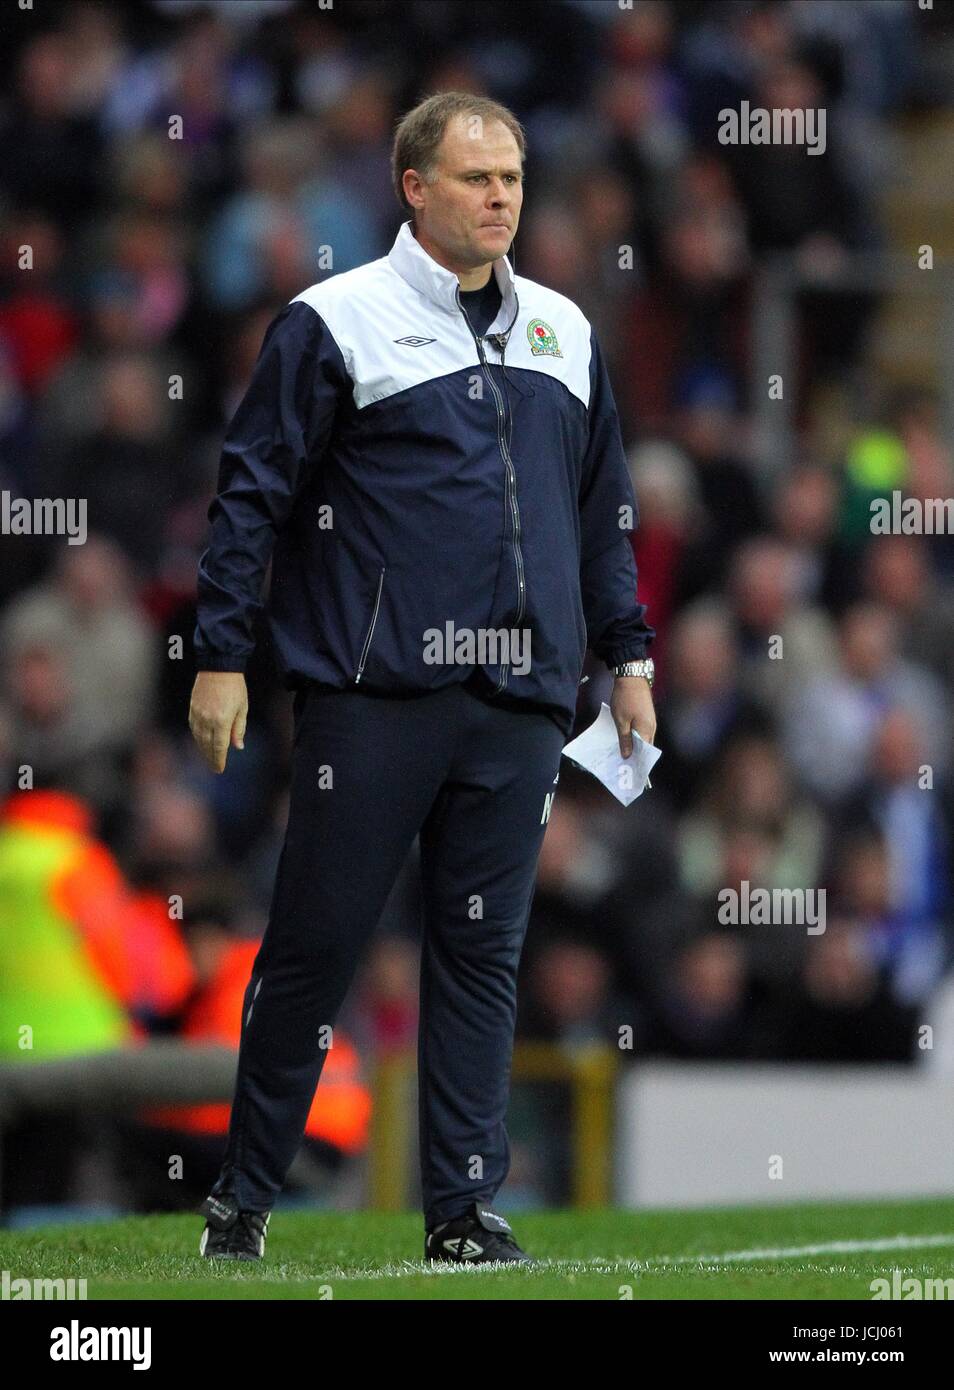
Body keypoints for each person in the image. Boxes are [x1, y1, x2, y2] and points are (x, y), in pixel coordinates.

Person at [188, 91, 656, 1264]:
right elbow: (251, 497)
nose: (502, 195)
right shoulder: (333, 320)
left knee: (483, 955)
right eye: (475, 177)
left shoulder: (566, 330)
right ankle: (242, 1202)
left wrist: (630, 656)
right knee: (316, 946)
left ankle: (462, 1211)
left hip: (523, 701)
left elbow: (602, 517)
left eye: (513, 176)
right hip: (375, 692)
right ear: (413, 187)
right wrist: (221, 653)